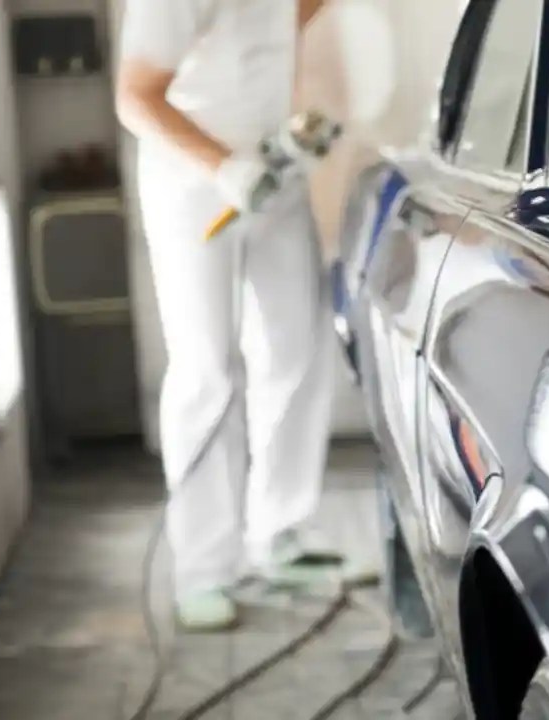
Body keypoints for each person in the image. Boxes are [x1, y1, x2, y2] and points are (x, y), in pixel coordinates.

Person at [115, 0, 344, 631]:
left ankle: (280, 534)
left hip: (273, 171)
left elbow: (281, 29)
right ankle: (204, 570)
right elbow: (135, 98)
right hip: (193, 186)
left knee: (296, 348)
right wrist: (225, 167)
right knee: (208, 369)